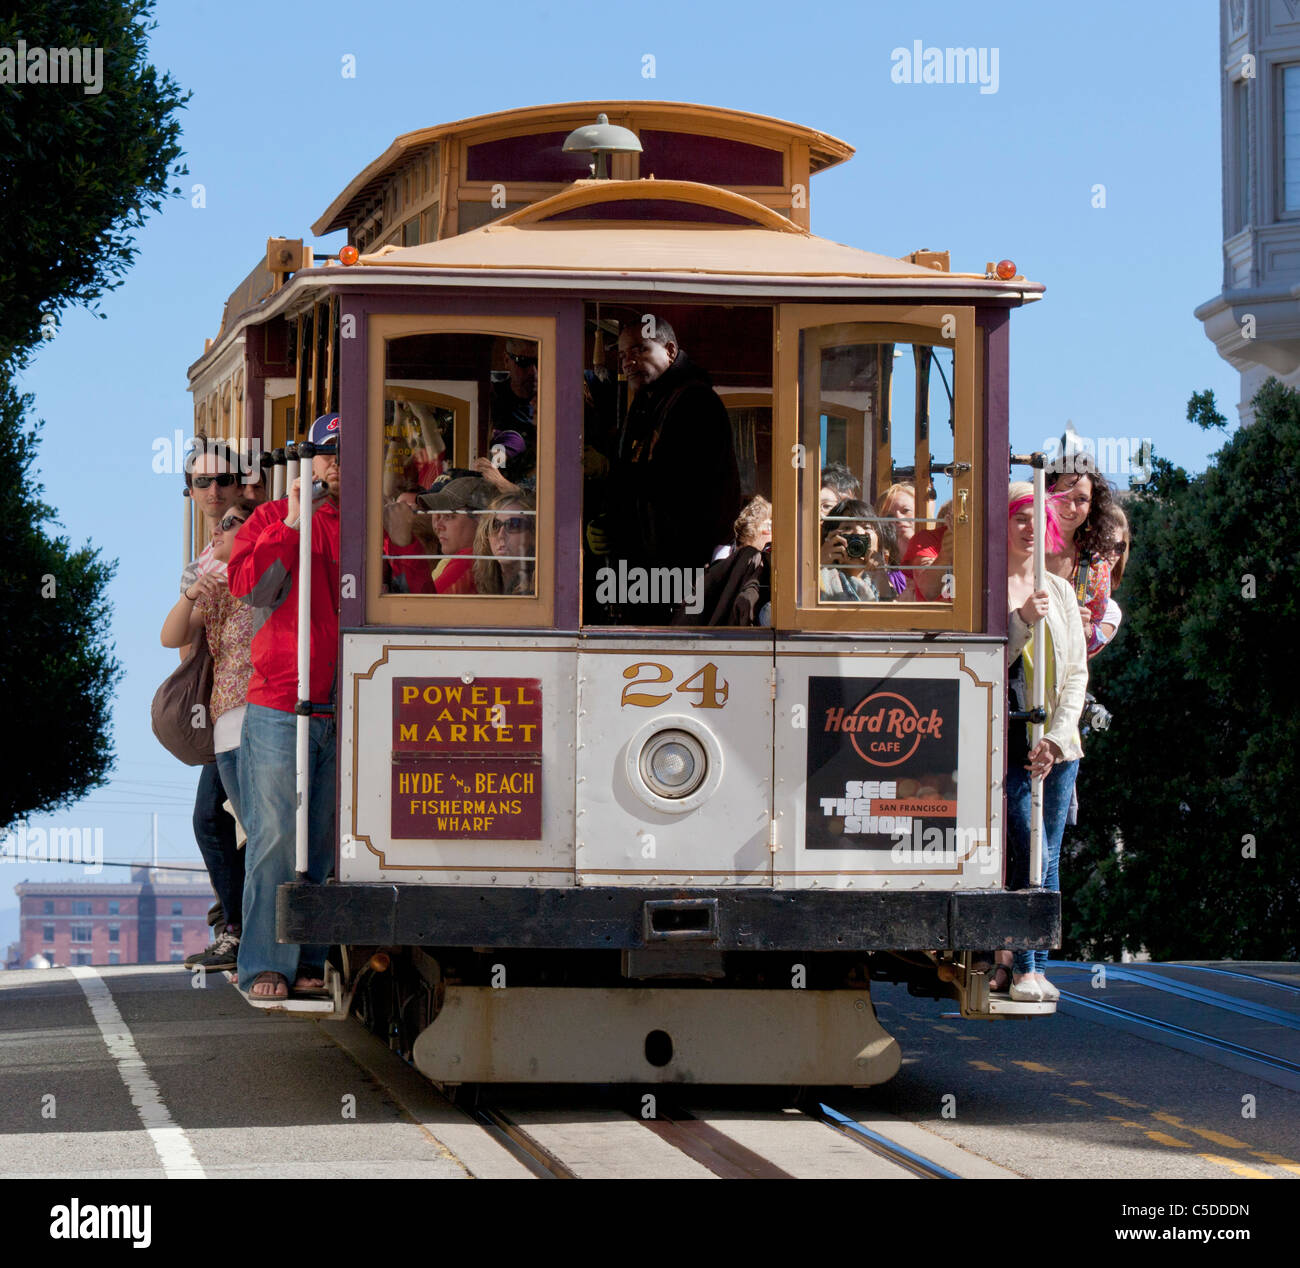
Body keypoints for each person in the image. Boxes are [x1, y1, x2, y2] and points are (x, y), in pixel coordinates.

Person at [227, 413, 342, 1001]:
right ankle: (263, 964)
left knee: (322, 842)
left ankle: (310, 959)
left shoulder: (362, 526)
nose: (333, 465)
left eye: (344, 455)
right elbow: (253, 589)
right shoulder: (273, 519)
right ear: (305, 461)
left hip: (343, 703)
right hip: (278, 703)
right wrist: (293, 522)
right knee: (274, 836)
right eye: (325, 454)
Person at [990, 482, 1088, 1003]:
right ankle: (1020, 963)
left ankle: (1032, 966)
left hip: (1058, 748)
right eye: (1017, 516)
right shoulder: (987, 588)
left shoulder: (1065, 591)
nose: (1028, 527)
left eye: (1035, 517)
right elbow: (989, 665)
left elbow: (1076, 673)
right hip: (1008, 742)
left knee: (1047, 856)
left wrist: (1054, 737)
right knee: (1027, 847)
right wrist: (1023, 620)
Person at [160, 498, 256, 971]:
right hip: (225, 723)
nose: (216, 532)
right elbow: (171, 636)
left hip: (262, 720)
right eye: (217, 526)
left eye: (230, 525)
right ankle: (236, 928)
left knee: (244, 826)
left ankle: (243, 931)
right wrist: (194, 591)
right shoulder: (218, 588)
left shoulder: (267, 577)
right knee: (213, 822)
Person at [596, 316, 741, 622]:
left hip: (677, 577)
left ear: (671, 350)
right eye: (622, 355)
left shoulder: (695, 402)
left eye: (640, 350)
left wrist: (607, 468)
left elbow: (675, 485)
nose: (628, 362)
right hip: (649, 574)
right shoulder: (650, 402)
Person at [176, 438, 244, 960]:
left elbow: (185, 627)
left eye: (224, 480)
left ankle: (238, 925)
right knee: (219, 816)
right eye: (203, 482)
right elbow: (181, 639)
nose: (214, 491)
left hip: (256, 700)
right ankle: (237, 918)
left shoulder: (248, 532)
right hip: (224, 702)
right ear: (190, 491)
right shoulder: (206, 552)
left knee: (212, 816)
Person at [1046, 469, 1115, 658]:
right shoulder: (1021, 549)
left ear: (1092, 506)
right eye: (1063, 496)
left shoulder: (1095, 567)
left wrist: (1086, 631)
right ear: (1045, 495)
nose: (1071, 508)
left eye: (1081, 499)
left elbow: (1090, 645)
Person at [415, 475, 493, 595]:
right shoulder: (458, 559)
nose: (438, 526)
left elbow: (419, 607)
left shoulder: (468, 560)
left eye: (449, 516)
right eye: (438, 515)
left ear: (481, 520)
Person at [819, 499, 891, 602]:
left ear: (878, 538)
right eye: (847, 527)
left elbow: (892, 616)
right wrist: (820, 566)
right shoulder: (817, 579)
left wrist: (882, 580)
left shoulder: (883, 583)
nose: (858, 533)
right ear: (830, 538)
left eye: (866, 527)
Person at [472, 492, 537, 596]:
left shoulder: (539, 590)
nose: (501, 535)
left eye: (514, 524)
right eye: (494, 525)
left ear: (533, 535)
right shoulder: (485, 581)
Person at [876, 481, 917, 558]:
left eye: (906, 510)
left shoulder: (941, 557)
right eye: (889, 516)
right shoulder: (875, 565)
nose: (898, 518)